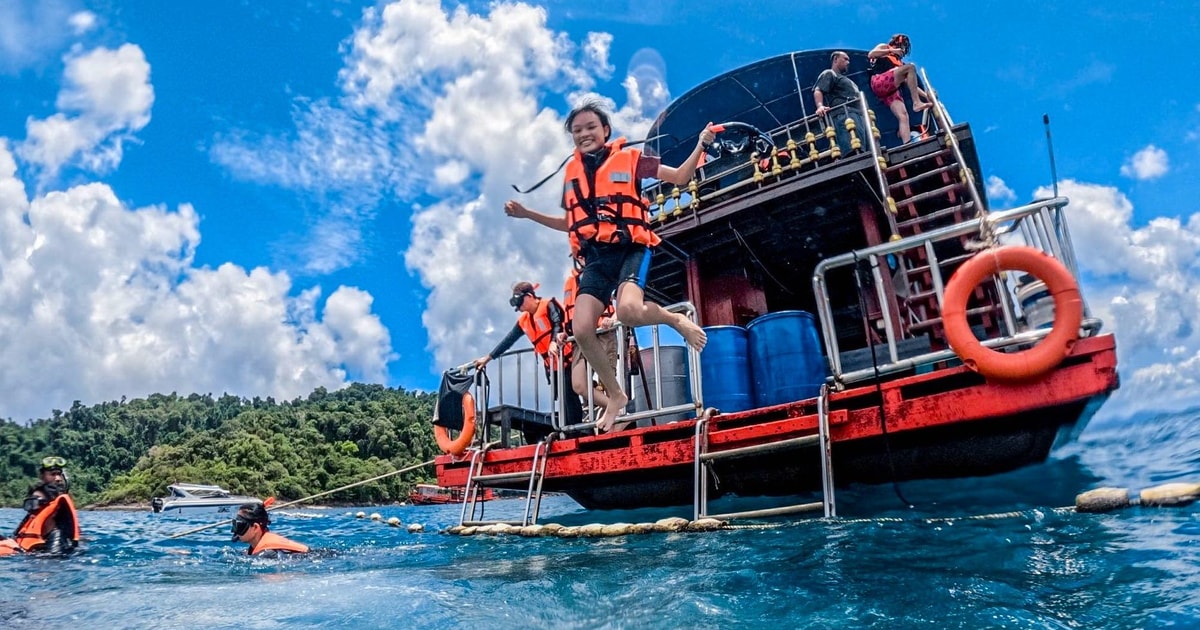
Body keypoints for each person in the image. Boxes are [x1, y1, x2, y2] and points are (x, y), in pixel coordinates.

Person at [504, 100, 711, 432]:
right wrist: (528, 213)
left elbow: (681, 178)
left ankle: (674, 319)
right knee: (582, 328)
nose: (584, 134)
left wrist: (701, 143)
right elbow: (569, 222)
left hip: (631, 247)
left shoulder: (631, 160)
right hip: (597, 259)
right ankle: (615, 395)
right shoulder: (573, 174)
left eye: (590, 127)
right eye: (577, 130)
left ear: (606, 131)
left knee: (628, 310)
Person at [473, 281, 585, 427]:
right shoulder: (524, 321)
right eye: (517, 306)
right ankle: (568, 429)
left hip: (569, 360)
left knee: (569, 396)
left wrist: (553, 342)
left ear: (530, 296)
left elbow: (558, 322)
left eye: (520, 303)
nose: (519, 308)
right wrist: (488, 358)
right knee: (562, 400)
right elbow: (508, 340)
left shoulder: (548, 305)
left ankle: (575, 429)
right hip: (552, 367)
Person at [559, 258, 622, 428]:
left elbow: (623, 301)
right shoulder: (571, 281)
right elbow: (570, 313)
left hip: (602, 332)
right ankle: (619, 412)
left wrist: (613, 318)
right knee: (579, 384)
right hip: (580, 338)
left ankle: (617, 420)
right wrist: (564, 333)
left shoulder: (606, 272)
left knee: (607, 379)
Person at [867, 34, 932, 144]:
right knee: (911, 67)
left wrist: (927, 97)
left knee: (903, 116)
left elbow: (911, 85)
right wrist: (891, 51)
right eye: (902, 46)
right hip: (880, 80)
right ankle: (916, 103)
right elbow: (871, 54)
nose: (903, 50)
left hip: (890, 90)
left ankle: (907, 144)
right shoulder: (885, 47)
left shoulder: (900, 64)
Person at [11, 456, 80, 554]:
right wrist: (41, 500)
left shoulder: (63, 497)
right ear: (42, 476)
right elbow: (30, 504)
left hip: (57, 546)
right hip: (41, 549)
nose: (58, 478)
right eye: (52, 474)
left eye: (59, 474)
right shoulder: (39, 493)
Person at [813, 50, 867, 156]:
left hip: (857, 116)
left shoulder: (845, 79)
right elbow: (818, 90)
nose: (848, 62)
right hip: (844, 115)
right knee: (851, 150)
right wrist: (820, 106)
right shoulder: (830, 73)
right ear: (836, 59)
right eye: (845, 59)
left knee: (861, 148)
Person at [231, 501, 309, 556]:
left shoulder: (268, 554)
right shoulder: (257, 549)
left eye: (239, 525)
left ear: (255, 528)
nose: (234, 530)